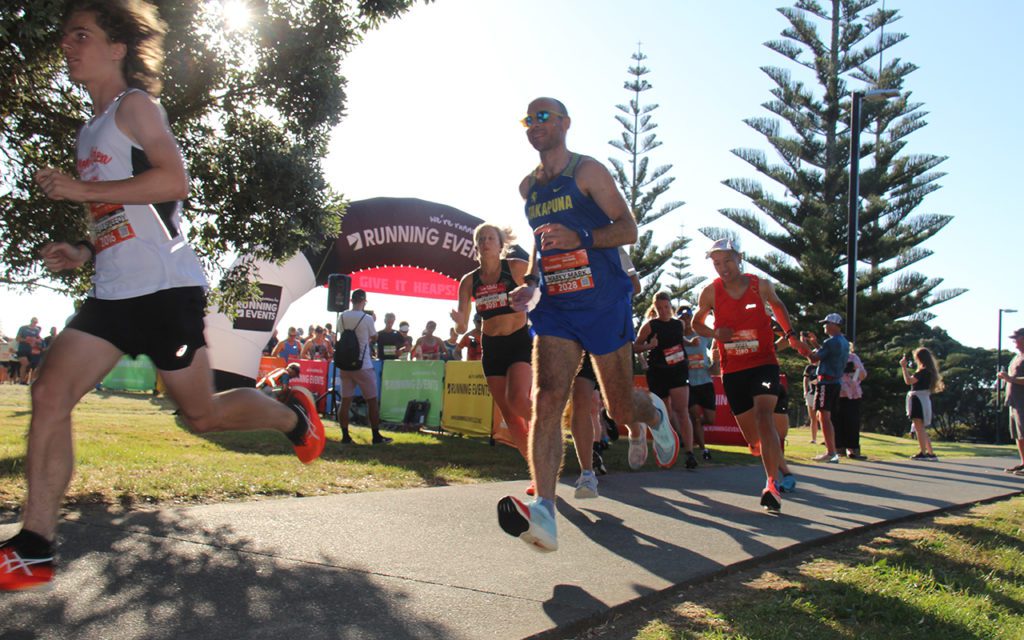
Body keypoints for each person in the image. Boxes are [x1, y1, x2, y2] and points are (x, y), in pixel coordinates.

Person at [2, 0, 325, 592]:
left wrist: (75, 189)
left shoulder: (136, 107)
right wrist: (84, 249)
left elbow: (172, 183)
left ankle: (290, 415)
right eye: (66, 36)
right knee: (50, 392)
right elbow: (124, 215)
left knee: (200, 415)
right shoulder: (89, 130)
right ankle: (34, 546)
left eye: (83, 35)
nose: (69, 45)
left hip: (164, 292)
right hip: (112, 293)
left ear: (118, 48)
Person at [496, 97, 673, 553]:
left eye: (544, 116)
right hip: (555, 306)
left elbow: (628, 229)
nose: (535, 124)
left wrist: (584, 238)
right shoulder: (527, 188)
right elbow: (541, 243)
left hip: (603, 302)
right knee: (547, 397)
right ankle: (546, 513)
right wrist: (532, 282)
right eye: (528, 119)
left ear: (564, 124)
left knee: (618, 409)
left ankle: (652, 412)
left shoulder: (587, 171)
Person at [693, 238, 803, 512]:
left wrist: (790, 335)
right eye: (717, 263)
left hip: (764, 363)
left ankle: (771, 484)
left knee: (765, 415)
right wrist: (715, 333)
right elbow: (696, 322)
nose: (723, 268)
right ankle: (777, 465)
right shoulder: (710, 292)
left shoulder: (760, 285)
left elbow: (778, 306)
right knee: (753, 440)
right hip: (733, 370)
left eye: (728, 261)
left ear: (739, 258)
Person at [451, 224, 532, 462]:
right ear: (476, 246)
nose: (486, 242)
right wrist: (458, 323)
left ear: (500, 244)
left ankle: (547, 424)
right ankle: (537, 474)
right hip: (492, 348)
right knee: (509, 414)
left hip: (518, 342)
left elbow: (541, 289)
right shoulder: (469, 281)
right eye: (481, 239)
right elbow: (462, 327)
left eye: (490, 238)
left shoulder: (516, 267)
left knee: (518, 400)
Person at [635, 291, 697, 469]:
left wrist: (689, 343)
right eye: (659, 308)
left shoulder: (679, 324)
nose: (663, 311)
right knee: (663, 414)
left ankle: (690, 453)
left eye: (666, 307)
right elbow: (634, 347)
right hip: (658, 372)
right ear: (655, 308)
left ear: (671, 307)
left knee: (682, 411)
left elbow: (679, 339)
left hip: (678, 370)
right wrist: (650, 346)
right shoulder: (650, 326)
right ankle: (664, 450)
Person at [336, 289, 390, 445]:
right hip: (362, 364)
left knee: (345, 401)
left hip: (345, 364)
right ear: (363, 301)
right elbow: (374, 337)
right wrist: (372, 320)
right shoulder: (367, 318)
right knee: (372, 401)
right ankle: (376, 436)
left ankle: (345, 436)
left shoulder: (342, 316)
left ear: (351, 300)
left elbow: (341, 333)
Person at [802, 313, 850, 464]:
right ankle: (831, 451)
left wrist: (803, 346)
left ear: (833, 325)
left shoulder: (831, 342)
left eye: (826, 323)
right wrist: (815, 344)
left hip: (826, 383)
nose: (824, 326)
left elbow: (814, 359)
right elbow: (827, 354)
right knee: (822, 416)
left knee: (823, 417)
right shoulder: (843, 341)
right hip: (835, 382)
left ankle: (831, 452)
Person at [680, 306, 717, 461]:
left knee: (709, 419)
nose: (686, 320)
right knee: (695, 417)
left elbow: (715, 343)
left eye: (688, 317)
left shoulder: (702, 335)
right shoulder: (678, 339)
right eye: (682, 318)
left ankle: (689, 428)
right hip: (689, 383)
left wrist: (715, 361)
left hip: (705, 381)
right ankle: (703, 449)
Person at [902, 346, 942, 460]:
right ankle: (930, 452)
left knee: (919, 427)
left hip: (917, 399)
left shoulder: (922, 371)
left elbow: (908, 381)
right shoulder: (929, 371)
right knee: (921, 427)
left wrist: (904, 367)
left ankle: (923, 452)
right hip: (923, 398)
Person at [998, 328, 1024, 475]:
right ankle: (1023, 462)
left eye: (1017, 338)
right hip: (1014, 401)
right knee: (1018, 434)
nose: (1014, 341)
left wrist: (1010, 379)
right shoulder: (1016, 357)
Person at [836, 344, 868, 459]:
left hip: (852, 394)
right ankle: (838, 447)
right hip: (837, 392)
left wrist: (854, 368)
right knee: (836, 421)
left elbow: (863, 375)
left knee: (852, 421)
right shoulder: (833, 357)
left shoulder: (853, 358)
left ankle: (852, 449)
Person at [16, 317, 43, 384]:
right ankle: (21, 380)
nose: (34, 323)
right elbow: (17, 338)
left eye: (36, 322)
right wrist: (26, 340)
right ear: (31, 321)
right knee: (25, 364)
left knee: (29, 366)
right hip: (22, 349)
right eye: (33, 322)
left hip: (31, 351)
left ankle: (25, 380)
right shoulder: (23, 328)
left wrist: (37, 341)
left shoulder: (37, 330)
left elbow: (38, 339)